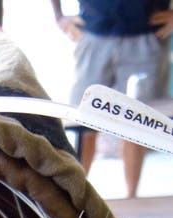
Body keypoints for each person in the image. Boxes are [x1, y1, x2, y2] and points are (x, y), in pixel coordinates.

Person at [49, 1, 173, 197]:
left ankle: (131, 200)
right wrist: (59, 16)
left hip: (145, 35)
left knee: (136, 125)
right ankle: (75, 200)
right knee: (84, 121)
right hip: (94, 33)